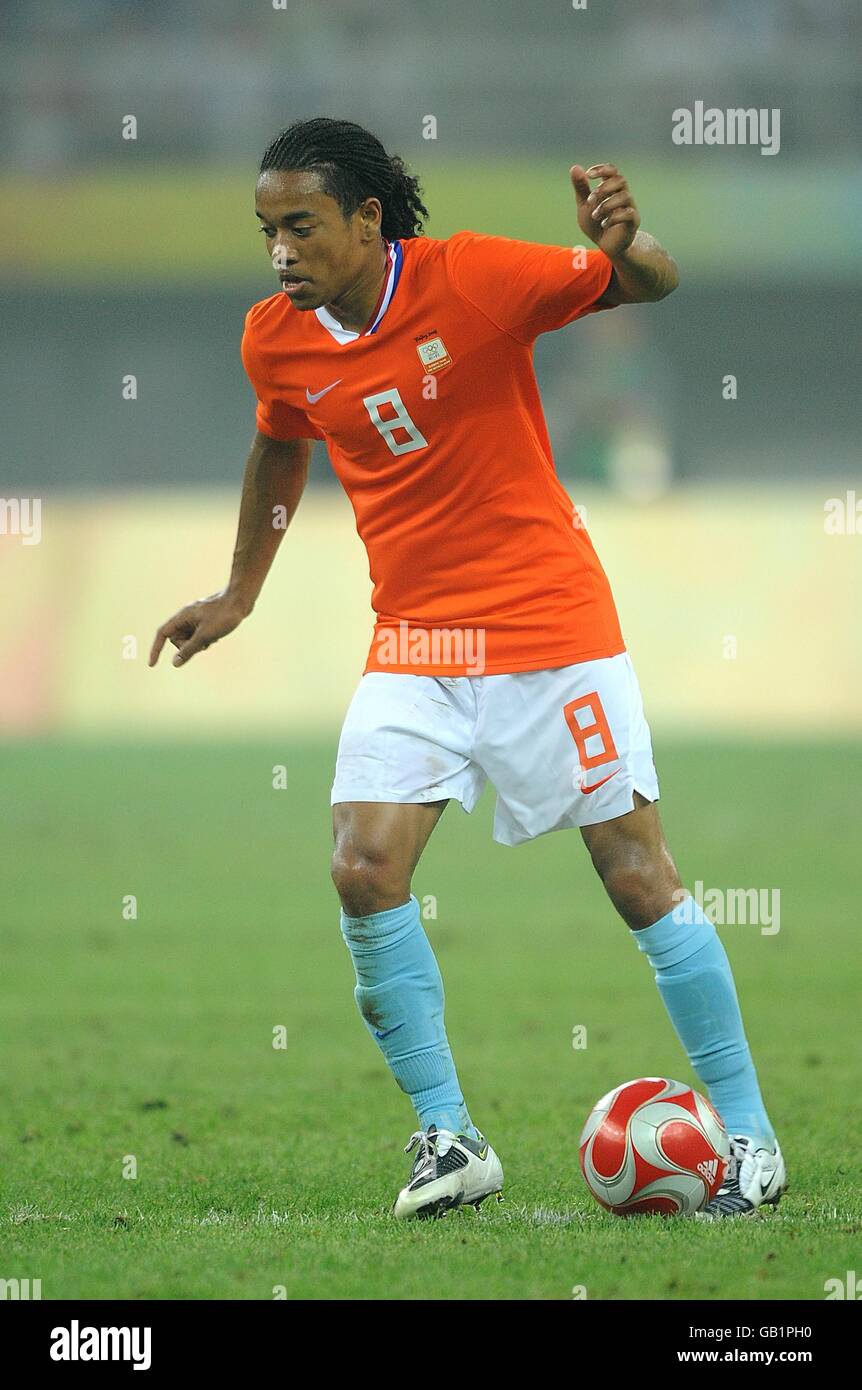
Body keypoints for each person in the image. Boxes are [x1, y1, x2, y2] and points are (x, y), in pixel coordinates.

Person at [150, 117, 785, 1220]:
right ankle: (449, 1137)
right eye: (266, 231)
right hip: (417, 640)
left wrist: (627, 244)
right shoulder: (275, 338)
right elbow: (280, 441)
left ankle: (751, 1138)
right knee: (362, 866)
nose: (281, 252)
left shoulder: (478, 278)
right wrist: (241, 589)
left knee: (637, 877)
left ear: (365, 219)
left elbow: (651, 286)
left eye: (300, 226)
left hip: (551, 627)